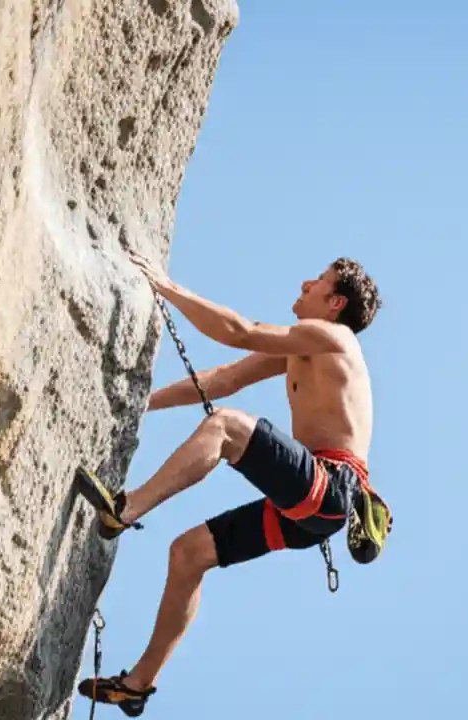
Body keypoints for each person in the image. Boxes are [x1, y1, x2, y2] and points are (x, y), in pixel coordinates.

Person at [74, 250, 382, 716]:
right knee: (188, 553)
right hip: (307, 512)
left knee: (226, 428)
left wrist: (167, 287)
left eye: (318, 281)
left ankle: (127, 508)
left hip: (330, 489)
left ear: (336, 303)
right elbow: (225, 378)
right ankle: (139, 685)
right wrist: (143, 403)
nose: (304, 283)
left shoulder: (331, 338)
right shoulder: (304, 347)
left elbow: (238, 331)